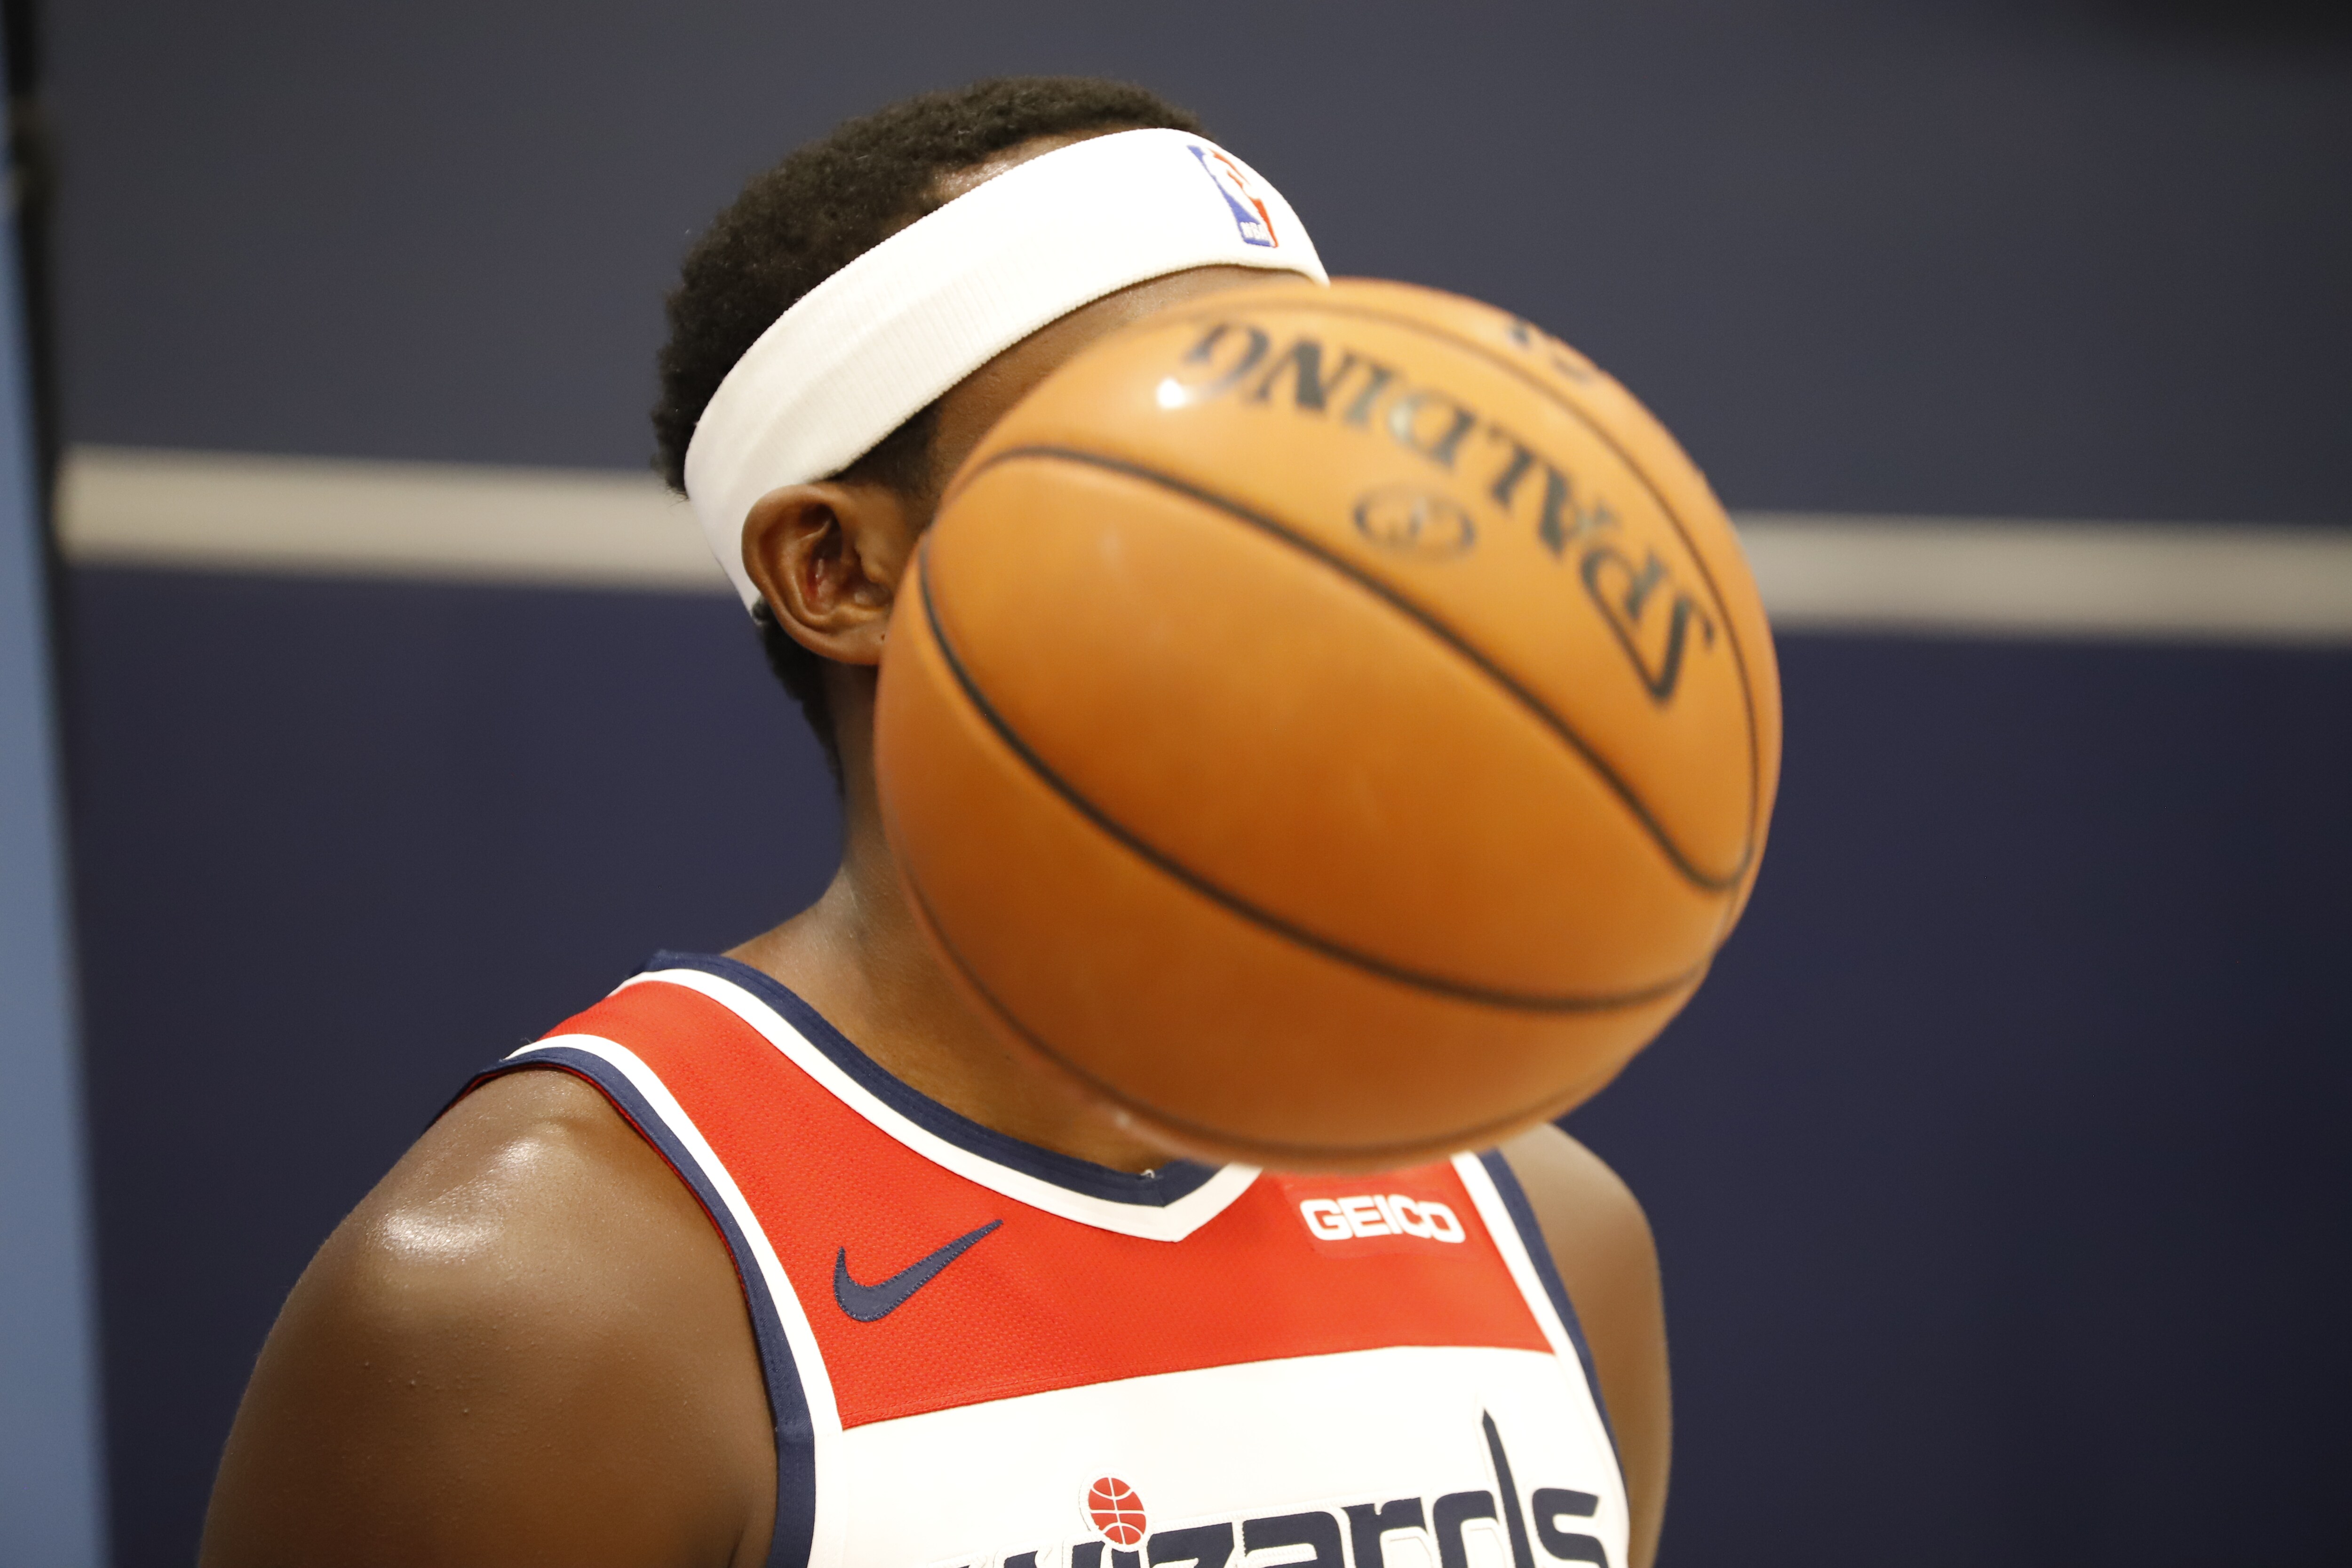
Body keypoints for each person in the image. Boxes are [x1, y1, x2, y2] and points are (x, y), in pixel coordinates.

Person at [199, 77, 1670, 1568]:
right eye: (1184, 451)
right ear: (837, 569)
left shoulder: (1554, 1233)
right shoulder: (539, 1306)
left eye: (1334, 458)